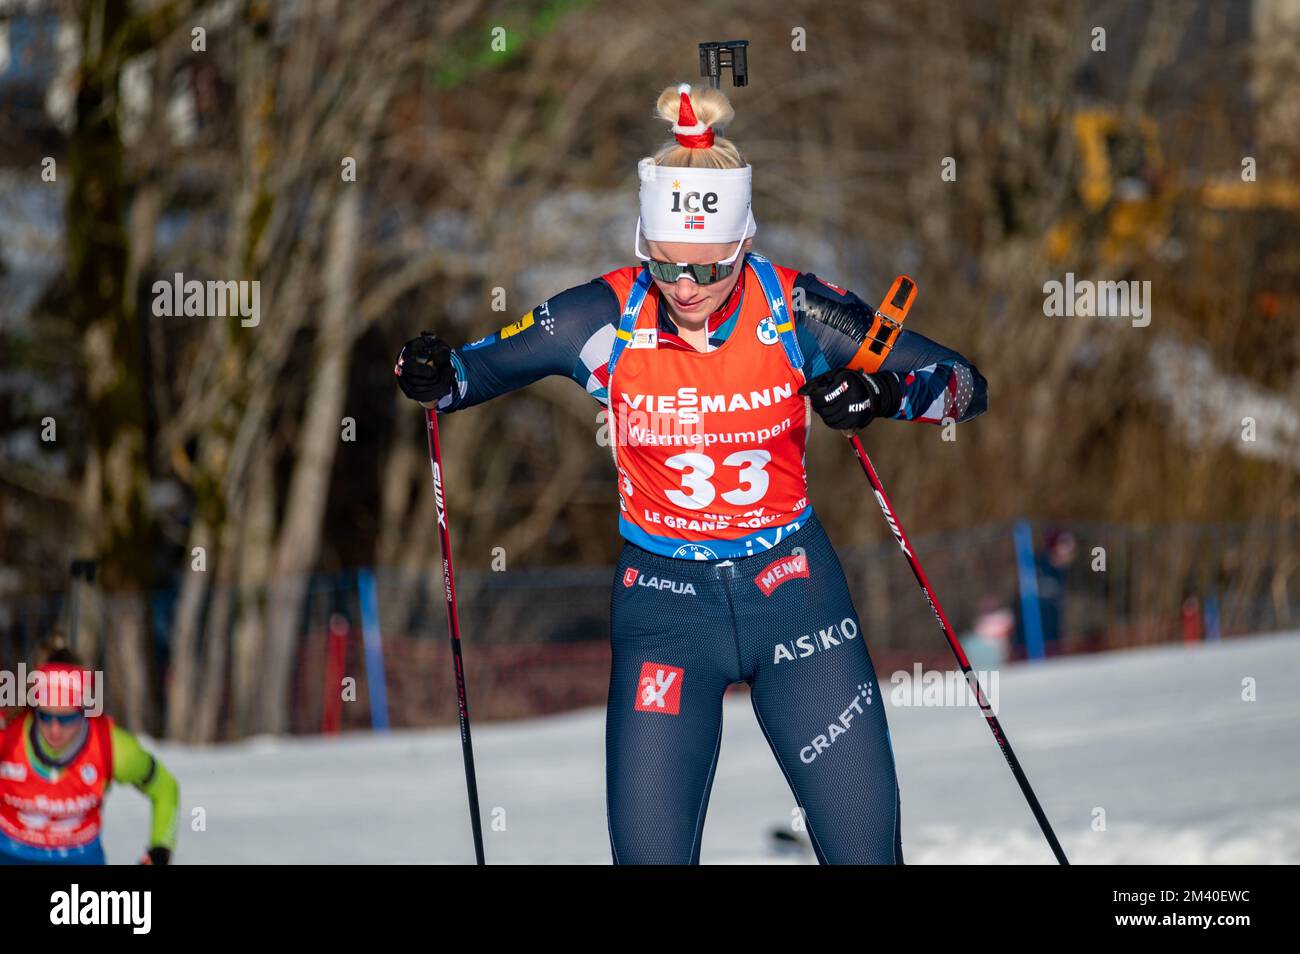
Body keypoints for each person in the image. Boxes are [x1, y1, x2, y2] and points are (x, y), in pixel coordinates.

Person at [395, 83, 987, 863]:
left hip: (797, 599)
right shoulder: (604, 314)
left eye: (708, 272)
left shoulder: (798, 308)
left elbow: (963, 385)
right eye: (665, 266)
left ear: (744, 245)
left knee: (866, 853)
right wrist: (433, 373)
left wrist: (880, 392)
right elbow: (472, 373)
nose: (684, 291)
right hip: (666, 612)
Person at [0, 641, 179, 865]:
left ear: (83, 711)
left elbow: (165, 789)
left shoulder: (111, 745)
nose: (55, 729)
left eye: (66, 719)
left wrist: (159, 851)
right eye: (45, 716)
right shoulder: (8, 734)